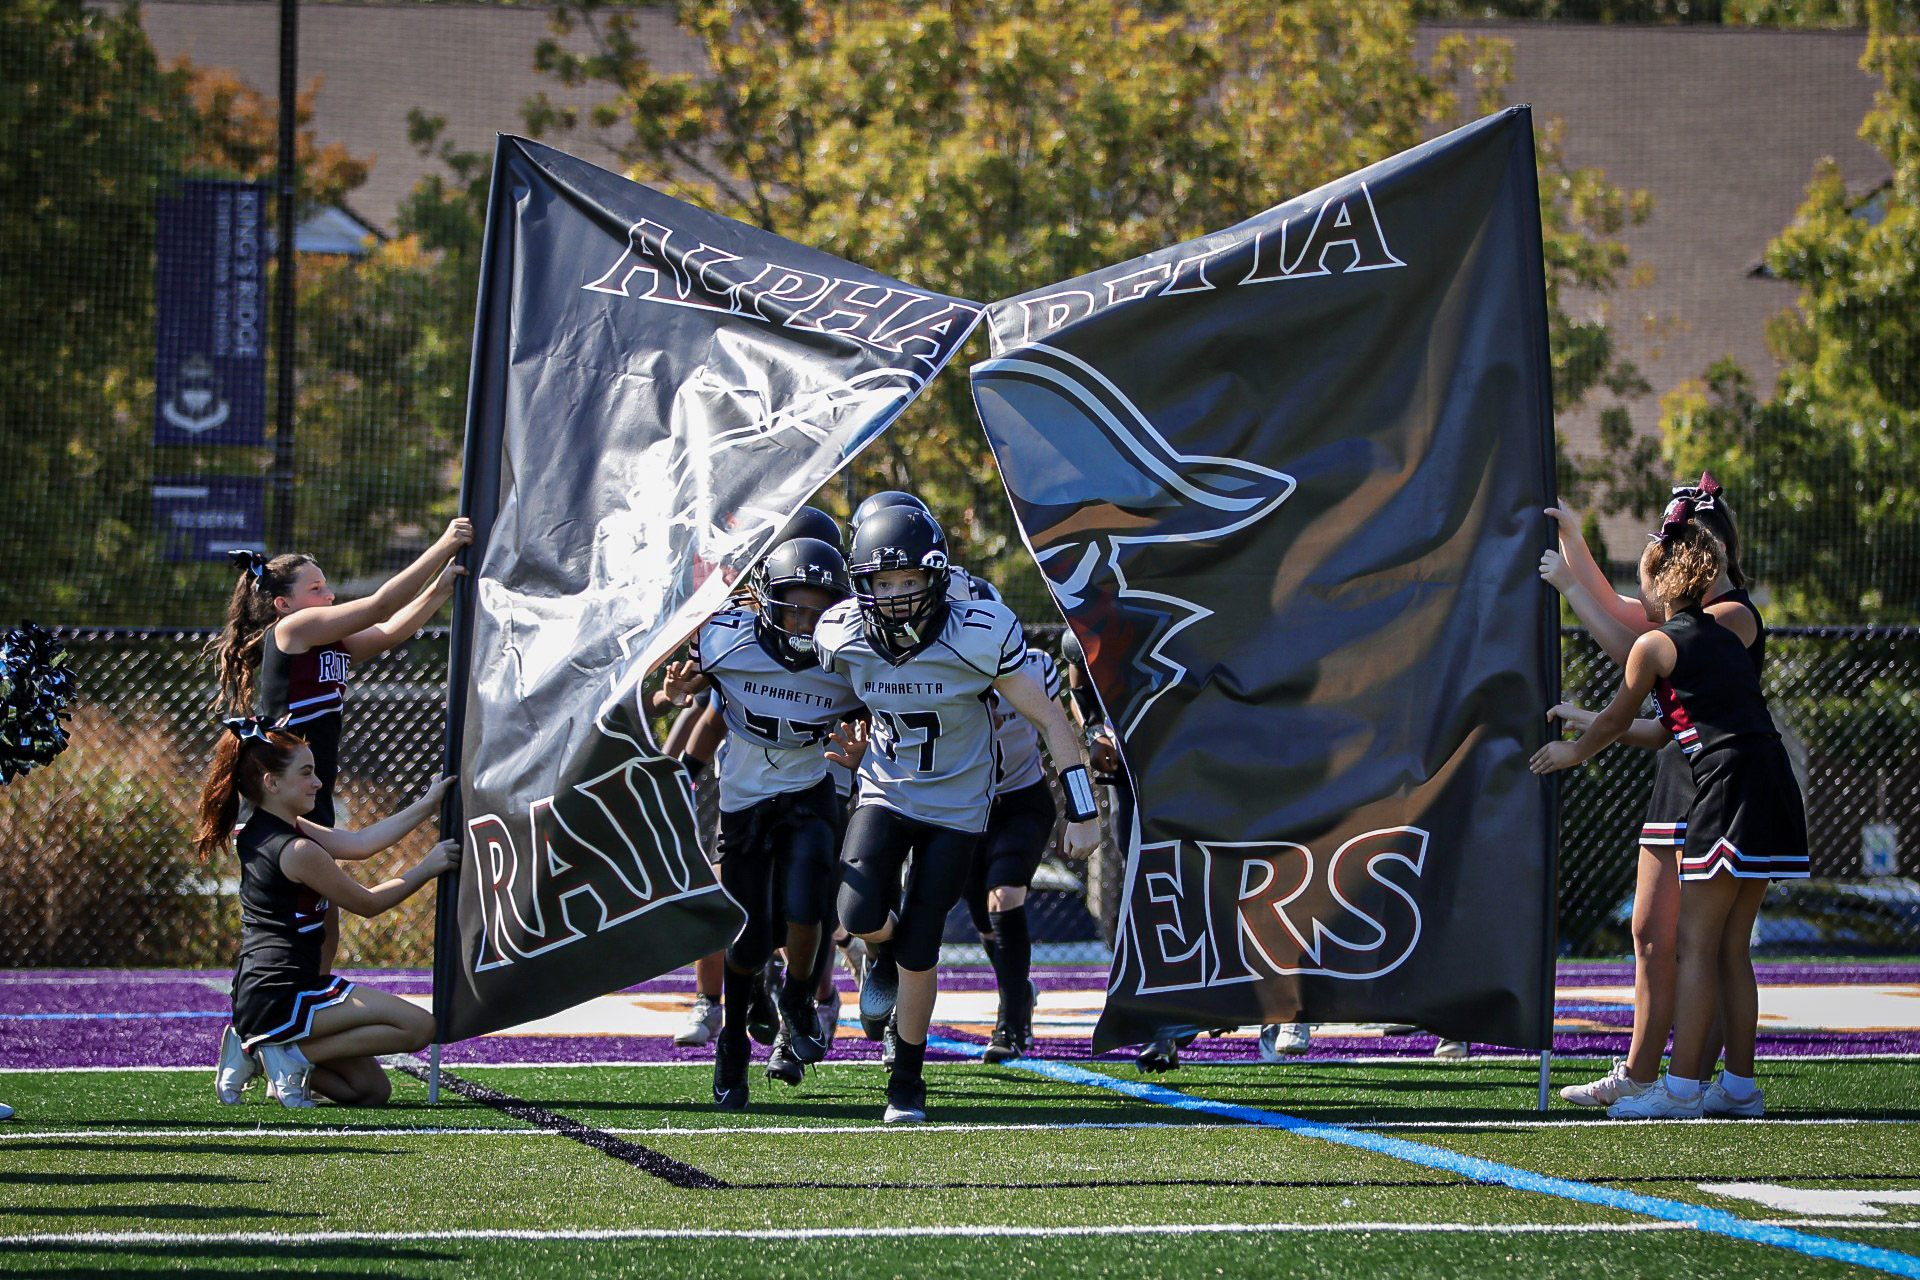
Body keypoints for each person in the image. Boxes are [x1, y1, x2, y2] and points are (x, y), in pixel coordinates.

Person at [816, 505, 1101, 1122]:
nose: (893, 598)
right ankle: (880, 955)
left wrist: (1081, 810)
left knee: (923, 942)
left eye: (908, 583)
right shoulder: (840, 632)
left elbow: (1052, 719)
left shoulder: (978, 631)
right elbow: (826, 698)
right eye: (882, 583)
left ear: (935, 579)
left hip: (960, 802)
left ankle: (906, 1080)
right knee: (857, 911)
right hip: (886, 787)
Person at [1531, 507, 1806, 1120]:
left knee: (1696, 944)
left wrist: (1574, 748)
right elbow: (1663, 733)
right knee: (1733, 947)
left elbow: (1616, 720)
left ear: (1663, 582)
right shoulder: (1717, 636)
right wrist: (1585, 720)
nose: (1640, 595)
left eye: (1645, 581)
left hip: (1724, 786)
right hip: (1769, 781)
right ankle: (1738, 1087)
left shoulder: (1655, 644)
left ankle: (1678, 1090)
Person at [660, 537, 865, 1111]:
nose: (805, 622)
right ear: (766, 602)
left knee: (807, 908)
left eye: (818, 610)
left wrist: (864, 749)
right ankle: (732, 1037)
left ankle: (797, 998)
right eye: (794, 607)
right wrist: (676, 691)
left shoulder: (848, 657)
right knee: (748, 935)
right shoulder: (730, 640)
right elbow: (680, 683)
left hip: (809, 792)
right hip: (746, 800)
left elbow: (884, 710)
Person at [194, 718, 458, 1108]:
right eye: (306, 773)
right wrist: (427, 868)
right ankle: (287, 1056)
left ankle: (263, 1053)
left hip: (272, 990)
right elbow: (367, 904)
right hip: (282, 993)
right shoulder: (298, 851)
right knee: (419, 1026)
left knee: (370, 1091)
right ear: (272, 783)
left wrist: (428, 804)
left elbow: (360, 843)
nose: (317, 783)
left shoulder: (262, 828)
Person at [970, 643, 1064, 1063]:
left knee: (1004, 898)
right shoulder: (934, 665)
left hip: (1022, 800)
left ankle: (1010, 1022)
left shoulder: (1034, 666)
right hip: (962, 806)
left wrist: (1082, 809)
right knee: (985, 924)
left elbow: (1059, 728)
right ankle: (1019, 992)